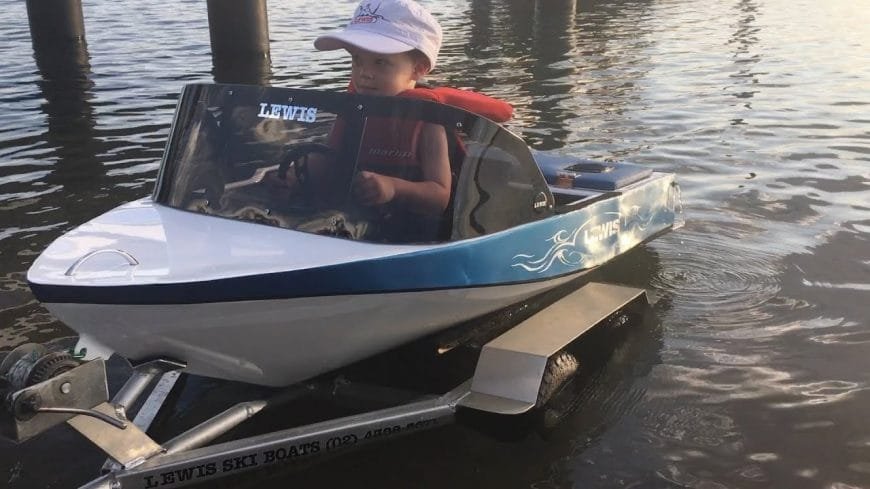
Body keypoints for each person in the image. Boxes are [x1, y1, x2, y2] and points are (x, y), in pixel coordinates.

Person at [313, 0, 452, 219]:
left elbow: (440, 197)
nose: (364, 73)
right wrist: (291, 176)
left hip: (407, 234)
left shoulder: (428, 119)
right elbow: (326, 162)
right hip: (348, 224)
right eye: (357, 60)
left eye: (380, 62)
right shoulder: (350, 110)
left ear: (418, 69)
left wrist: (394, 187)